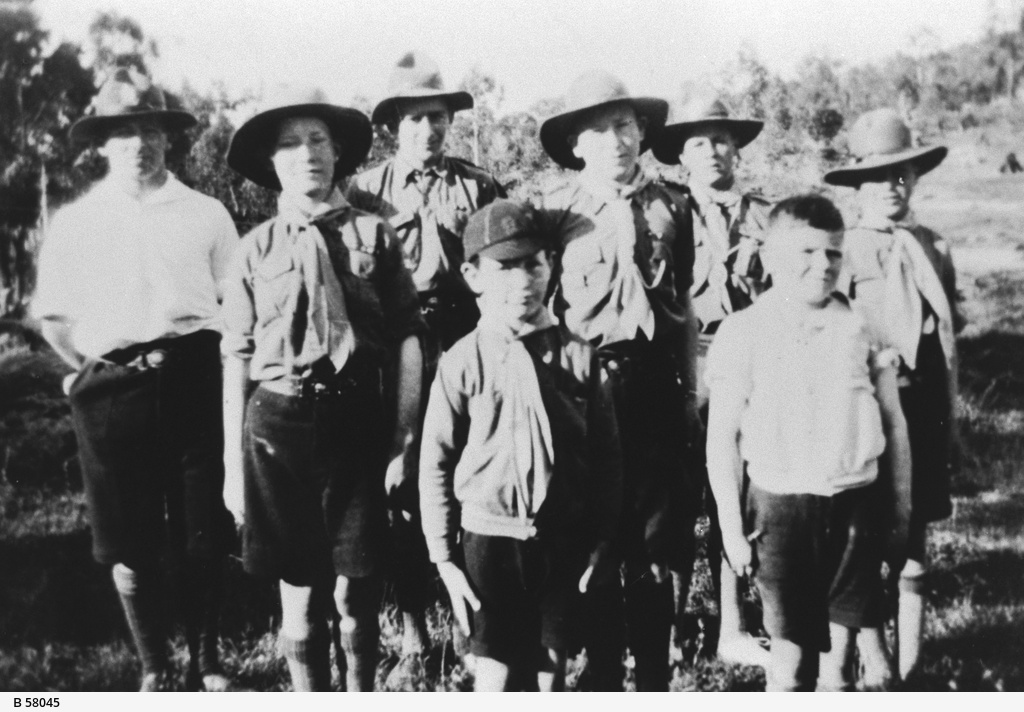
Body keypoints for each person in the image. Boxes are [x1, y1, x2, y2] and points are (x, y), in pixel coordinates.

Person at [33, 68, 239, 692]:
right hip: (111, 391)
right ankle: (155, 664)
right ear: (100, 144)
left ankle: (206, 660)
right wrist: (92, 374)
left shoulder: (205, 213)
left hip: (194, 380)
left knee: (203, 534)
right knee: (127, 542)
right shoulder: (77, 222)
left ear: (168, 139)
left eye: (149, 130)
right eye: (122, 134)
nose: (139, 145)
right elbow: (55, 323)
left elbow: (235, 308)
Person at [221, 85, 425, 691]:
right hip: (278, 428)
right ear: (271, 164)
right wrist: (234, 462)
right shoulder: (253, 249)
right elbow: (236, 356)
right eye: (289, 144)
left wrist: (403, 438)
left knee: (356, 585)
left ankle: (360, 690)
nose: (305, 153)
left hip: (357, 422)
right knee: (299, 590)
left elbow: (409, 337)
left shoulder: (376, 235)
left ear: (338, 152)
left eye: (317, 140)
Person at [704, 194, 912, 691]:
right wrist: (732, 531)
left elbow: (895, 423)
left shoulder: (863, 323)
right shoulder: (745, 329)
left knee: (838, 663)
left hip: (855, 502)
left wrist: (900, 510)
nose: (823, 265)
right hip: (780, 509)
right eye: (806, 253)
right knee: (789, 660)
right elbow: (722, 439)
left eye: (834, 253)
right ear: (772, 257)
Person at [346, 51, 504, 688]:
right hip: (401, 349)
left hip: (466, 341)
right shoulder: (366, 194)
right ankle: (413, 627)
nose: (428, 130)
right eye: (414, 119)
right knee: (404, 486)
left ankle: (473, 623)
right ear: (393, 126)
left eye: (437, 117)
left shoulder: (478, 187)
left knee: (470, 473)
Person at [419, 199, 622, 691]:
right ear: (472, 275)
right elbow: (436, 462)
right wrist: (445, 558)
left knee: (550, 668)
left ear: (551, 266)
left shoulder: (579, 356)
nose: (522, 280)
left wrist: (602, 541)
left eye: (533, 264)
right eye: (504, 267)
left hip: (562, 537)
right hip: (488, 540)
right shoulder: (462, 361)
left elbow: (608, 458)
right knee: (496, 670)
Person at [538, 70, 698, 691]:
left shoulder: (672, 204)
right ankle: (603, 673)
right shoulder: (556, 213)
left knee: (656, 539)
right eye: (600, 130)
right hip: (590, 387)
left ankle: (654, 676)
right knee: (597, 533)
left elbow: (683, 300)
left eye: (626, 126)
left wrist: (690, 391)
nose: (617, 141)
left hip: (657, 385)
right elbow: (544, 307)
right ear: (578, 144)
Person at [825, 108, 963, 685]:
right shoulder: (842, 250)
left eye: (903, 174)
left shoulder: (932, 245)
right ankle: (870, 655)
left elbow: (949, 337)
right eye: (879, 177)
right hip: (870, 407)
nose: (892, 188)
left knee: (912, 534)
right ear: (857, 185)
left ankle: (913, 663)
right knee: (862, 533)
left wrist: (950, 416)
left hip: (924, 407)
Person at [651, 92, 771, 667]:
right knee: (679, 496)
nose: (714, 152)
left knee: (737, 491)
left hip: (748, 360)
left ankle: (733, 624)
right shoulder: (665, 212)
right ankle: (672, 629)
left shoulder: (764, 216)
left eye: (723, 140)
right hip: (687, 358)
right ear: (681, 156)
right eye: (699, 142)